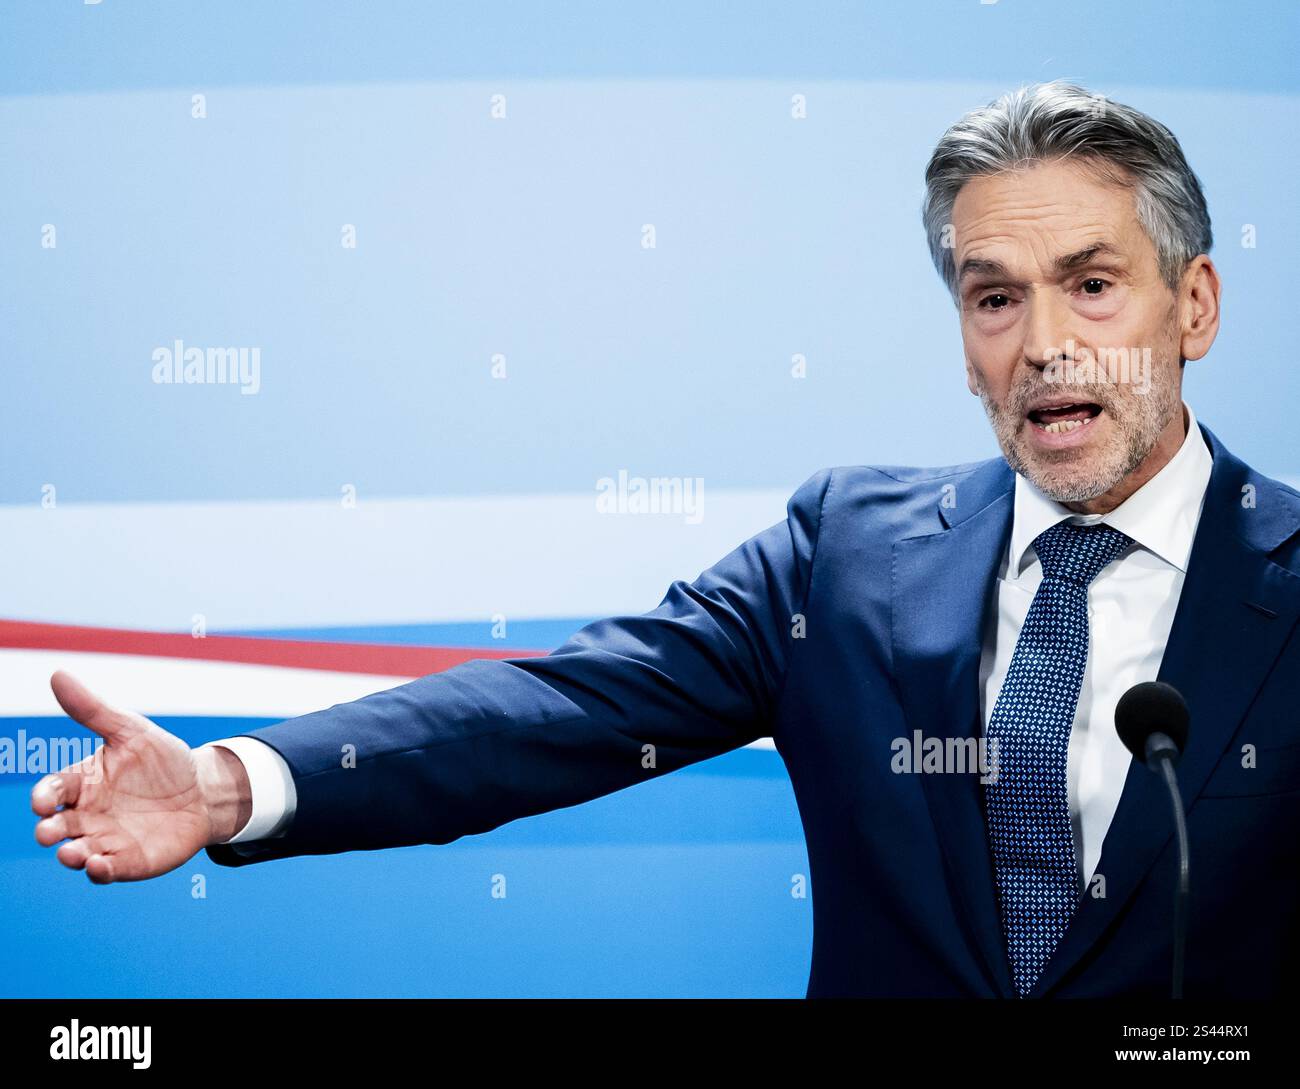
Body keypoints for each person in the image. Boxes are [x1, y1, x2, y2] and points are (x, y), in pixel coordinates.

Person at [30, 82, 1300, 998]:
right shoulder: (847, 555)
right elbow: (556, 713)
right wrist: (227, 783)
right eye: (992, 298)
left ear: (1193, 304)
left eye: (1091, 283)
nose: (1041, 344)